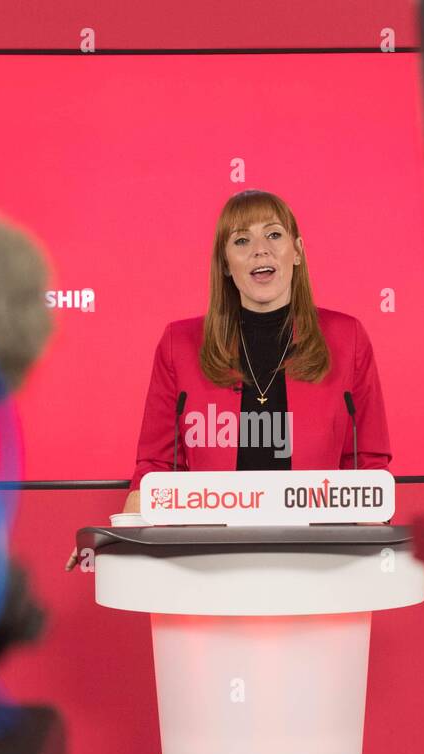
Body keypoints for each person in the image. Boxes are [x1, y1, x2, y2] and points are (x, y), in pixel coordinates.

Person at [66, 189, 391, 569]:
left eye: (273, 234)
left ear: (297, 251)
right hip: (208, 562)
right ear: (225, 262)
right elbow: (157, 467)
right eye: (241, 240)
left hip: (319, 559)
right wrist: (122, 537)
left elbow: (368, 464)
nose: (260, 250)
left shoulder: (347, 338)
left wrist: (374, 549)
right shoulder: (179, 344)